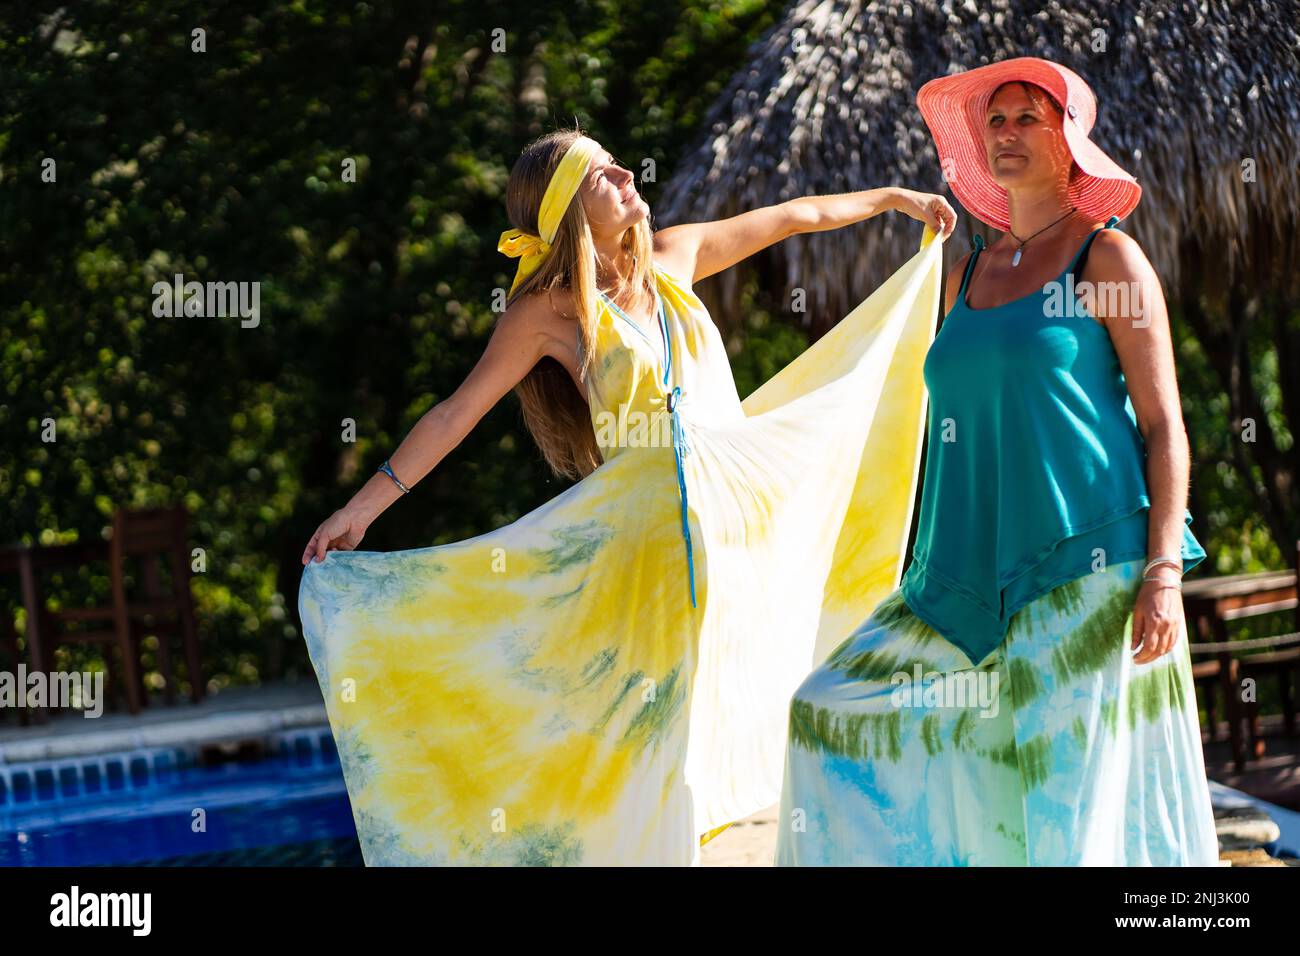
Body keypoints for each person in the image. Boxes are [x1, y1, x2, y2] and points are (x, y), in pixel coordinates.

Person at [298, 126, 957, 865]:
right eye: (601, 176)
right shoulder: (551, 314)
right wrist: (360, 510)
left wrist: (893, 200)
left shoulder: (676, 257)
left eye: (617, 164)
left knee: (763, 724)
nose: (624, 175)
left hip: (743, 535)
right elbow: (455, 414)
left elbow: (792, 216)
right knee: (655, 758)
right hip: (651, 554)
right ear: (571, 213)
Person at [776, 58, 1219, 866]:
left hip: (1089, 568)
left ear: (1071, 143)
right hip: (965, 577)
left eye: (1027, 119)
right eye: (996, 122)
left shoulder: (1107, 262)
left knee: (1061, 810)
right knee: (825, 711)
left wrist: (1162, 570)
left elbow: (1164, 427)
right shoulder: (967, 273)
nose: (1006, 133)